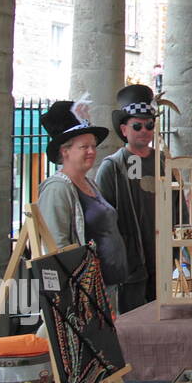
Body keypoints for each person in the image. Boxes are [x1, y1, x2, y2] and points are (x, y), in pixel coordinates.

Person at [36, 100, 125, 315]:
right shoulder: (58, 189)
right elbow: (56, 247)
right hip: (87, 295)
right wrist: (82, 292)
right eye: (84, 147)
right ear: (64, 151)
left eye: (93, 146)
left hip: (107, 287)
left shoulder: (89, 183)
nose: (91, 151)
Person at [95, 84, 160, 310]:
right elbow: (102, 220)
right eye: (137, 125)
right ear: (124, 130)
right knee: (133, 322)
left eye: (150, 125)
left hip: (161, 261)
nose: (145, 130)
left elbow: (177, 205)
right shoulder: (111, 167)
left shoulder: (163, 162)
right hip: (130, 265)